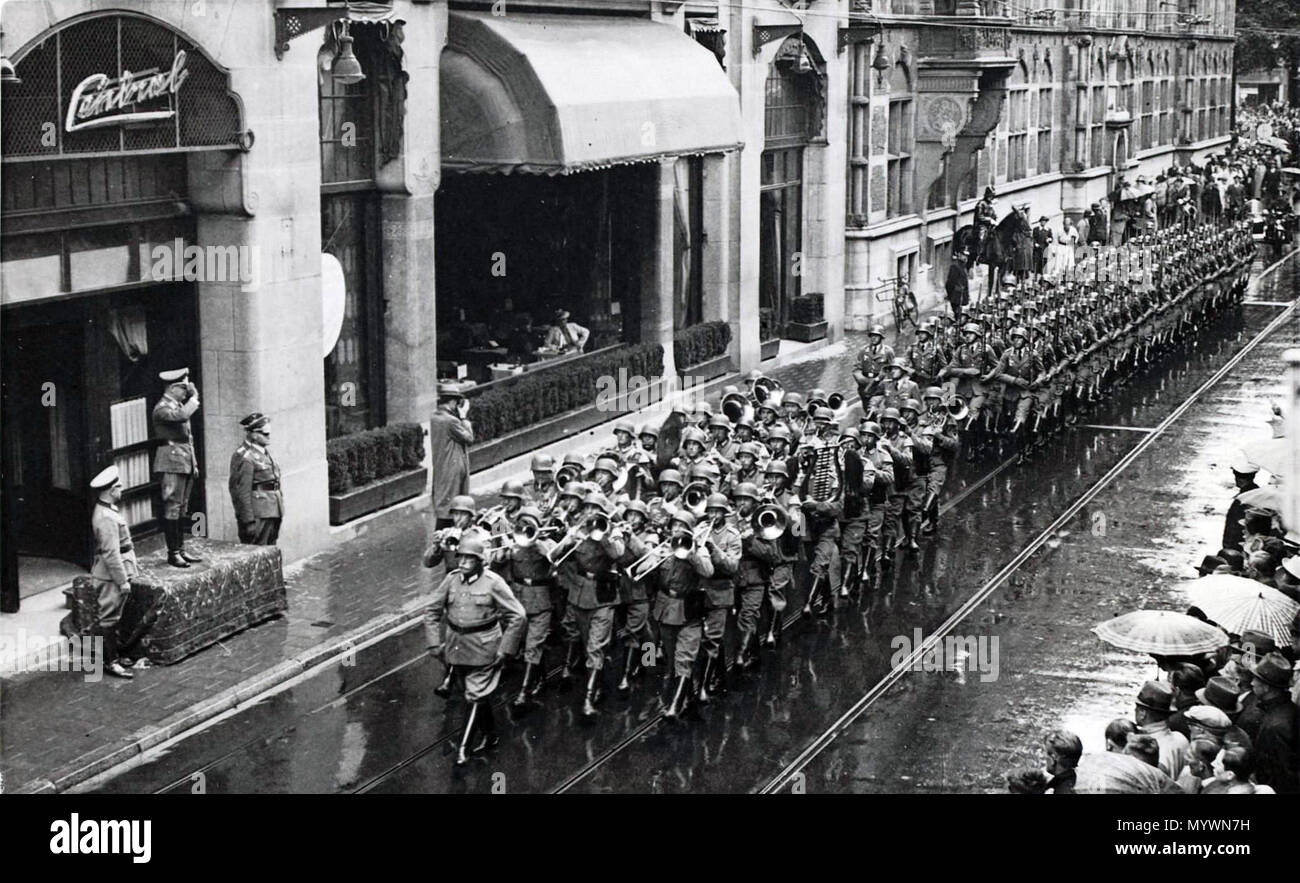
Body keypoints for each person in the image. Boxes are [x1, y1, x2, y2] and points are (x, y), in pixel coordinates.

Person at [425, 535, 525, 765]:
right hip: (455, 647)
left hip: (484, 647)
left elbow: (517, 615)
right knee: (477, 696)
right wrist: (433, 643)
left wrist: (506, 649)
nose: (462, 562)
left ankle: (464, 748)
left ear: (480, 561)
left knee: (474, 694)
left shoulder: (493, 582)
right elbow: (432, 611)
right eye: (460, 557)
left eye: (469, 559)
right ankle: (490, 736)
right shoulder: (451, 580)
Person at [89, 466, 139, 680]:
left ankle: (114, 655)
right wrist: (122, 581)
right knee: (108, 618)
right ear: (111, 490)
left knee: (114, 616)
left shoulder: (107, 509)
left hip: (115, 570)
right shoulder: (107, 517)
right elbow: (111, 554)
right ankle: (110, 662)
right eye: (119, 487)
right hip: (110, 575)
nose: (122, 490)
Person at [152, 367, 203, 568]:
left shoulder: (177, 404)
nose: (185, 393)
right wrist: (195, 397)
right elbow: (181, 416)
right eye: (183, 389)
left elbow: (188, 439)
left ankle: (180, 549)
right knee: (172, 507)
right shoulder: (162, 408)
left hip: (183, 461)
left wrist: (194, 464)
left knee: (182, 507)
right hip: (170, 461)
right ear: (173, 388)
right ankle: (173, 552)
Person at [1240, 652, 1299, 793]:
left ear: (1266, 687)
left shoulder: (1274, 726)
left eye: (1256, 679)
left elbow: (1279, 777)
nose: (1252, 683)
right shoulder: (1291, 709)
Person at [228, 413, 283, 546]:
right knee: (257, 551)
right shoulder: (245, 457)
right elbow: (240, 492)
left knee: (270, 550)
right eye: (265, 434)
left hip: (272, 509)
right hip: (258, 514)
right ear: (253, 434)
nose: (269, 436)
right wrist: (248, 520)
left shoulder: (262, 452)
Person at [430, 384, 474, 529]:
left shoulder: (435, 417)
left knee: (444, 504)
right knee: (453, 506)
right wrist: (464, 416)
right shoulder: (452, 421)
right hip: (453, 468)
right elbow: (469, 438)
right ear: (453, 402)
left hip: (442, 467)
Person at [1134, 679, 1189, 780]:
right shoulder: (1181, 738)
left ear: (1142, 713)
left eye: (1136, 708)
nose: (1134, 710)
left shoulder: (1146, 750)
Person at [1222, 458, 1260, 553]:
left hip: (1238, 548)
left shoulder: (1243, 499)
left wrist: (1228, 549)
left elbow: (1234, 529)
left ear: (1237, 477)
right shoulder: (1258, 494)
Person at [946, 252, 970, 321]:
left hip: (962, 296)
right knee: (958, 316)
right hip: (956, 296)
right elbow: (950, 283)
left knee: (961, 316)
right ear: (959, 255)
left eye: (966, 256)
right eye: (963, 255)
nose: (965, 258)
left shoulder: (963, 266)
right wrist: (950, 295)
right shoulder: (955, 266)